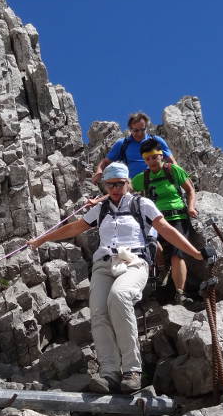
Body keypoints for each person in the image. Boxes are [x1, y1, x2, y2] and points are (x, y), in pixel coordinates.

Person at [28, 162, 209, 394]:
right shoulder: (100, 210)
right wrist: (42, 239)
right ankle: (109, 373)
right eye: (110, 184)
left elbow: (166, 230)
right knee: (98, 312)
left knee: (120, 297)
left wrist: (195, 253)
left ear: (128, 183)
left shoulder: (142, 204)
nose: (115, 188)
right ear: (105, 185)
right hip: (103, 265)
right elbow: (75, 228)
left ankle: (132, 371)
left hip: (134, 262)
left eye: (120, 184)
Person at [132, 137, 198, 306]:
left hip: (177, 218)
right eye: (148, 159)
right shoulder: (142, 178)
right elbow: (123, 189)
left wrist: (191, 207)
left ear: (161, 155)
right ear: (144, 160)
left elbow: (190, 190)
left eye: (154, 157)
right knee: (154, 247)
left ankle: (180, 293)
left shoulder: (173, 170)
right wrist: (100, 199)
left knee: (178, 253)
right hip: (156, 220)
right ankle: (162, 269)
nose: (152, 161)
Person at [91, 112, 177, 182]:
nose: (139, 133)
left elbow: (171, 161)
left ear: (146, 127)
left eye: (142, 130)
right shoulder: (122, 144)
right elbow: (105, 162)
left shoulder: (156, 141)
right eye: (135, 130)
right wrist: (99, 171)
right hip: (135, 185)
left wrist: (179, 176)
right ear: (130, 129)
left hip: (158, 182)